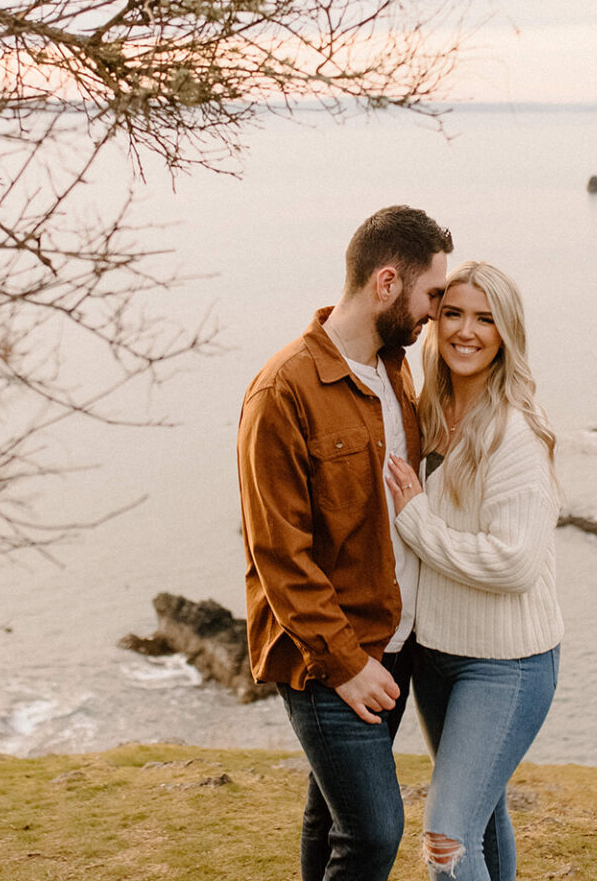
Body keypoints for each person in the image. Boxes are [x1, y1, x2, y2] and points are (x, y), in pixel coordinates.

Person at [238, 205, 453, 881]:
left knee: (330, 819)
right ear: (387, 283)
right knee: (374, 831)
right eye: (432, 295)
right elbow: (278, 552)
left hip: (393, 644)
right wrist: (346, 663)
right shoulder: (283, 390)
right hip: (328, 655)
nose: (436, 314)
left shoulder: (397, 372)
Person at [384, 261, 562, 881]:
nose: (466, 330)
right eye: (453, 313)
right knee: (482, 821)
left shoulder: (517, 432)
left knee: (447, 839)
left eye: (485, 319)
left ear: (506, 333)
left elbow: (515, 563)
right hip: (436, 657)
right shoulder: (427, 413)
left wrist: (416, 521)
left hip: (506, 665)